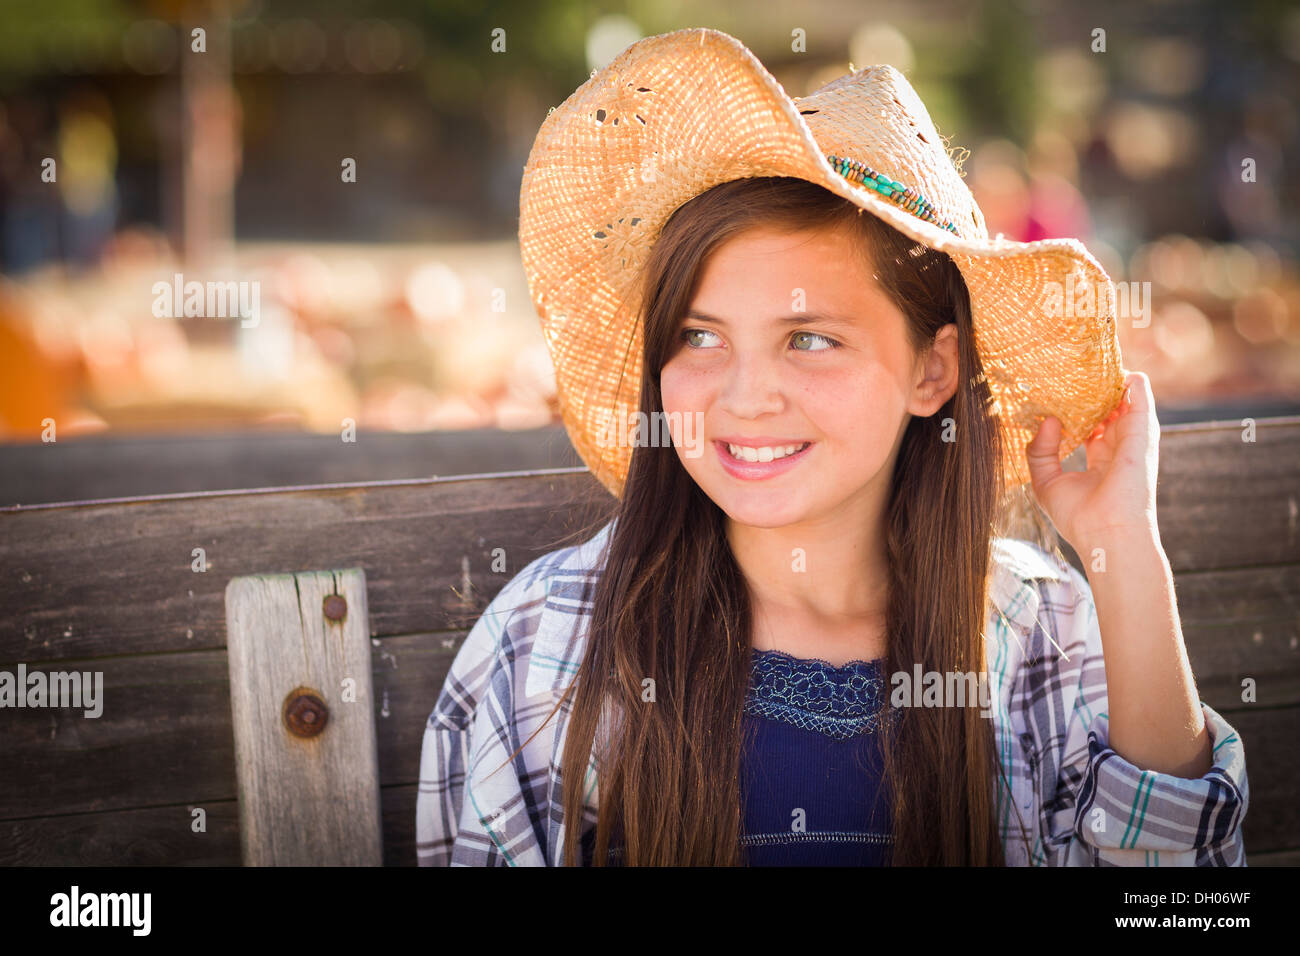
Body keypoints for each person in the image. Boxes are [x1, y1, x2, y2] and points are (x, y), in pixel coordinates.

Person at [416, 27, 1248, 866]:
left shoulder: (1042, 632)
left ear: (934, 370)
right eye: (700, 337)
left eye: (809, 339)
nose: (745, 397)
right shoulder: (551, 644)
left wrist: (1122, 551)